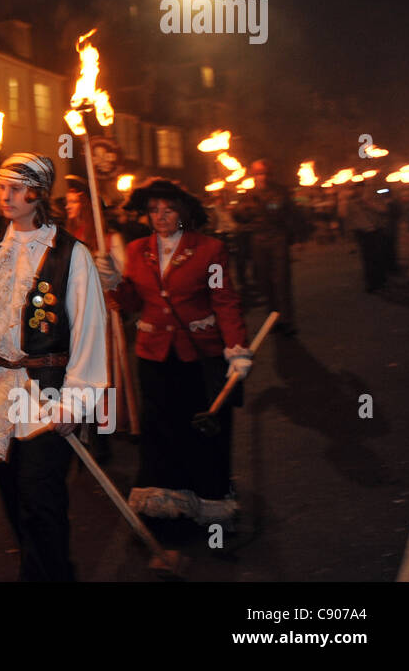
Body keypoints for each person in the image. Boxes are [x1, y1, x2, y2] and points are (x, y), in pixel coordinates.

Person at [0, 154, 108, 581]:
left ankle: (48, 575)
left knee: (41, 500)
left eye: (16, 188)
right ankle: (50, 569)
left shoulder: (72, 254)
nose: (5, 196)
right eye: (1, 188)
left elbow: (88, 328)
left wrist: (76, 399)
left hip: (46, 396)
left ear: (38, 194)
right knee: (12, 497)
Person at [98, 178, 250, 532]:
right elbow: (133, 305)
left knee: (202, 427)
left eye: (168, 210)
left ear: (183, 212)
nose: (160, 216)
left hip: (199, 355)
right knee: (161, 430)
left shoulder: (210, 250)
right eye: (153, 210)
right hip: (154, 356)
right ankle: (165, 506)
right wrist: (114, 283)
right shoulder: (137, 250)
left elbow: (224, 300)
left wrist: (237, 347)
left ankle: (210, 499)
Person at [231, 159, 298, 335]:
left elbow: (280, 210)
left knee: (281, 280)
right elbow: (239, 216)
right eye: (259, 173)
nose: (262, 177)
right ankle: (273, 318)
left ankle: (287, 320)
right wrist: (242, 207)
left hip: (277, 238)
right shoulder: (248, 193)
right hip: (258, 240)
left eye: (265, 173)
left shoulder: (280, 191)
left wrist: (259, 202)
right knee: (264, 281)